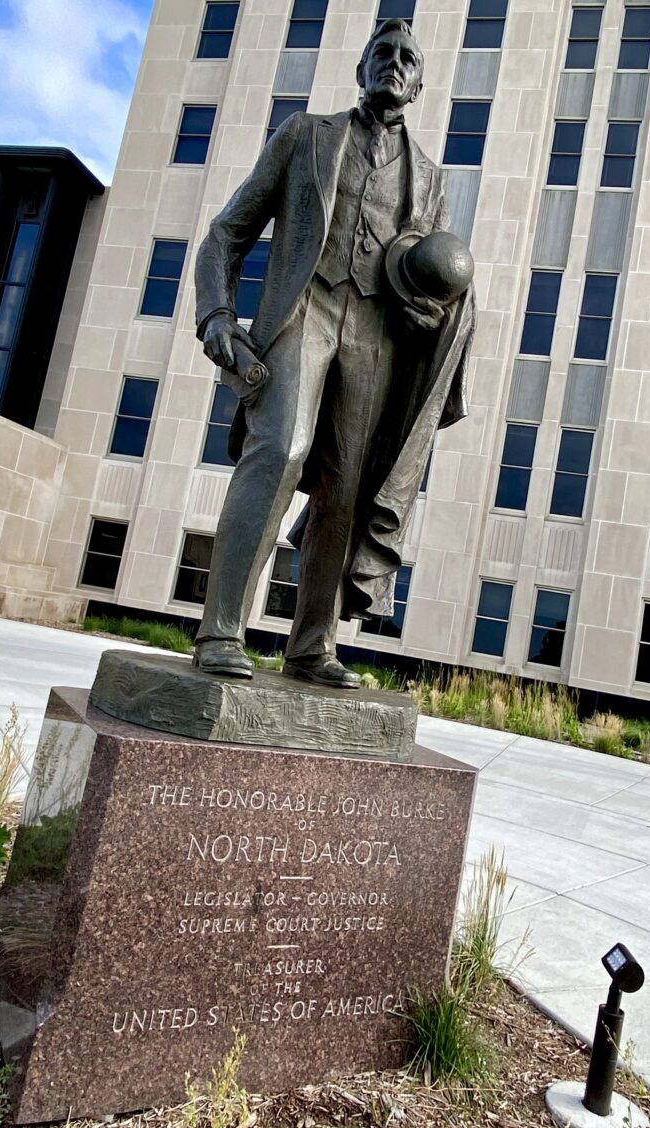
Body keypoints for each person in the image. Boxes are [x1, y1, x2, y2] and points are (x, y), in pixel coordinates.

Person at [193, 18, 475, 687]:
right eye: (382, 53)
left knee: (347, 490)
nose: (394, 63)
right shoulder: (305, 135)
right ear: (360, 70)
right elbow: (227, 232)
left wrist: (433, 308)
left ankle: (312, 647)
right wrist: (215, 316)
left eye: (408, 57)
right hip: (303, 312)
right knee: (282, 450)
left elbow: (423, 274)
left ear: (421, 83)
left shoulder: (431, 178)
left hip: (375, 334)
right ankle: (220, 632)